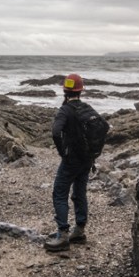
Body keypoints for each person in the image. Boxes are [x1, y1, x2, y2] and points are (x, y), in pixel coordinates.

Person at [44, 73, 94, 252]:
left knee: (59, 193)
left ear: (65, 90)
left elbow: (56, 132)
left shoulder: (65, 110)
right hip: (87, 159)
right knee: (80, 192)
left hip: (71, 158)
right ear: (81, 91)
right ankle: (79, 231)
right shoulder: (87, 108)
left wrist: (62, 152)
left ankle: (62, 235)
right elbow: (100, 127)